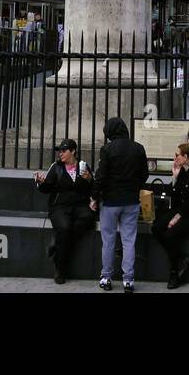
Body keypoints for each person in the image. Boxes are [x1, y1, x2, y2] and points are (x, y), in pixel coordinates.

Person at [89, 117, 148, 292]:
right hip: (131, 201)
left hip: (110, 201)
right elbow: (144, 174)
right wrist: (133, 187)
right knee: (129, 240)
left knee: (108, 241)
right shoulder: (138, 148)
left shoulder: (107, 150)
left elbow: (101, 176)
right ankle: (128, 280)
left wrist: (94, 196)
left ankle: (106, 277)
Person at [35, 139, 94, 284]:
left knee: (88, 218)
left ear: (73, 151)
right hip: (59, 206)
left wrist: (90, 179)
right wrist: (40, 182)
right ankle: (60, 269)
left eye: (64, 151)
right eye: (59, 151)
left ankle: (58, 244)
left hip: (79, 206)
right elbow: (46, 188)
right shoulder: (56, 167)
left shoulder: (83, 166)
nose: (60, 154)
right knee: (65, 227)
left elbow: (92, 187)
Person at [152, 142, 189, 289]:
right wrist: (175, 178)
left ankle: (174, 272)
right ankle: (181, 258)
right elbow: (175, 197)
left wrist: (177, 218)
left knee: (170, 235)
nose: (175, 158)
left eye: (177, 155)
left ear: (186, 157)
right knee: (156, 228)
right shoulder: (181, 171)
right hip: (180, 210)